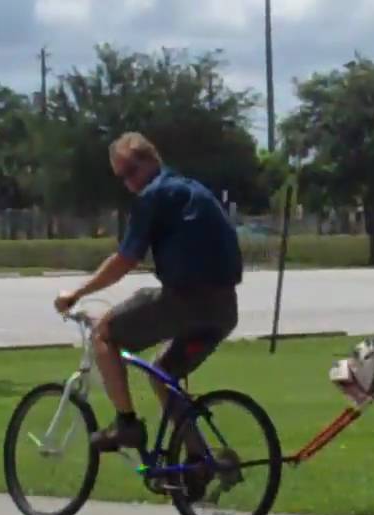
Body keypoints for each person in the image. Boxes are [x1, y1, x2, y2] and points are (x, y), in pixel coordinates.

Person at [53, 131, 243, 453]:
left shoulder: (154, 196)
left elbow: (124, 260)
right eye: (122, 178)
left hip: (185, 302)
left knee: (103, 335)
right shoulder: (195, 190)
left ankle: (126, 424)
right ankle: (200, 460)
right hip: (224, 310)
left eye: (131, 172)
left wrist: (76, 293)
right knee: (162, 373)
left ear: (152, 159)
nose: (129, 183)